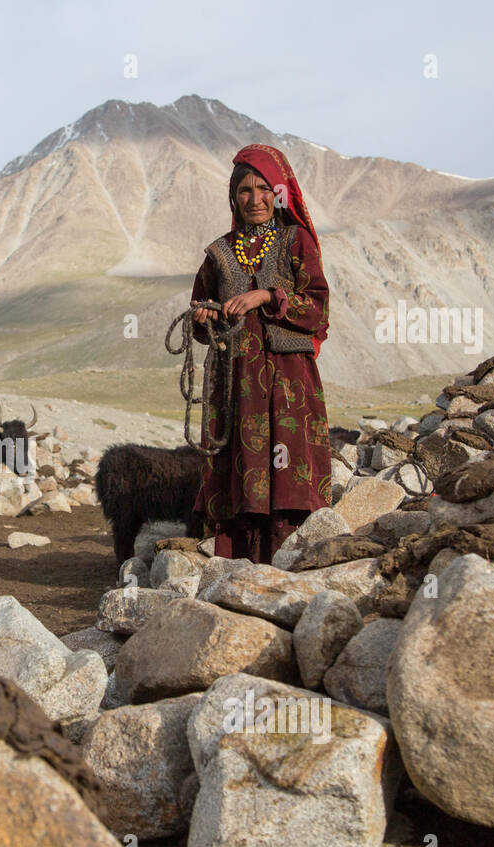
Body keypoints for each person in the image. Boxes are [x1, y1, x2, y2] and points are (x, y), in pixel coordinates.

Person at [187, 143, 331, 562]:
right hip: (235, 382)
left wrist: (267, 296)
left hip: (288, 383)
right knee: (239, 464)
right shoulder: (217, 254)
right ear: (233, 198)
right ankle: (237, 564)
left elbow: (318, 307)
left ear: (279, 193)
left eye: (264, 188)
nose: (255, 199)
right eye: (245, 191)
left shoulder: (295, 241)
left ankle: (294, 558)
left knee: (288, 467)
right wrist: (203, 320)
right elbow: (201, 317)